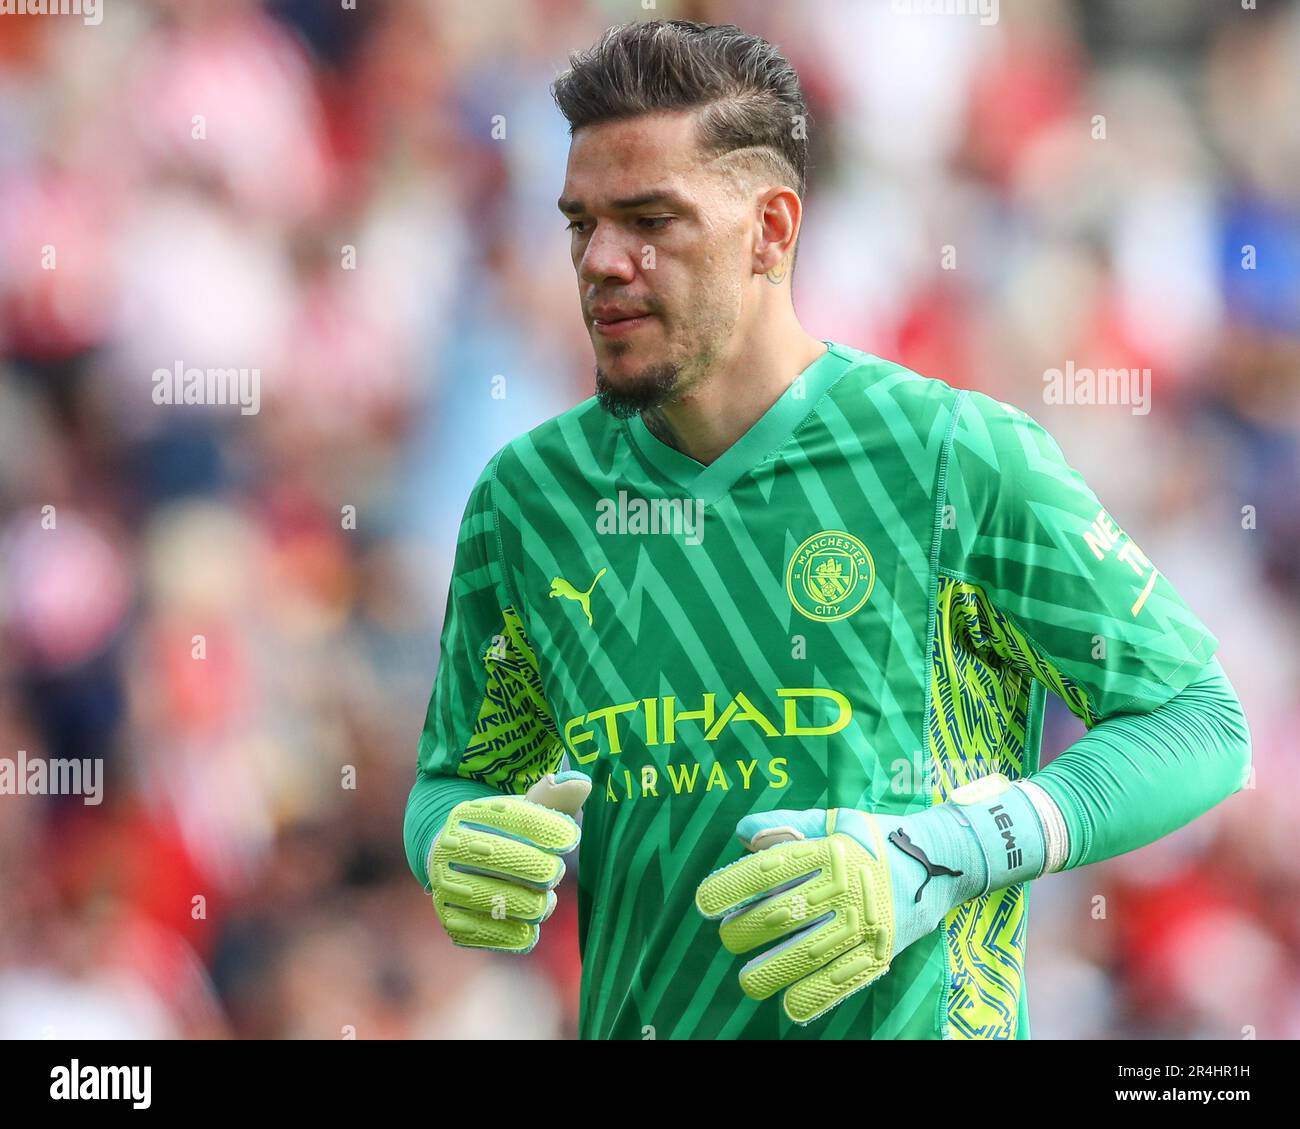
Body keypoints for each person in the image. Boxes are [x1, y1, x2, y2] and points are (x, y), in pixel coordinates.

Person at [403, 19, 1251, 1040]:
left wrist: (939, 852)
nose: (602, 261)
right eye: (581, 223)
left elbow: (1199, 722)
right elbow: (456, 775)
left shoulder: (952, 456)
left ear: (771, 229)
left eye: (651, 220)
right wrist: (449, 837)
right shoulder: (526, 497)